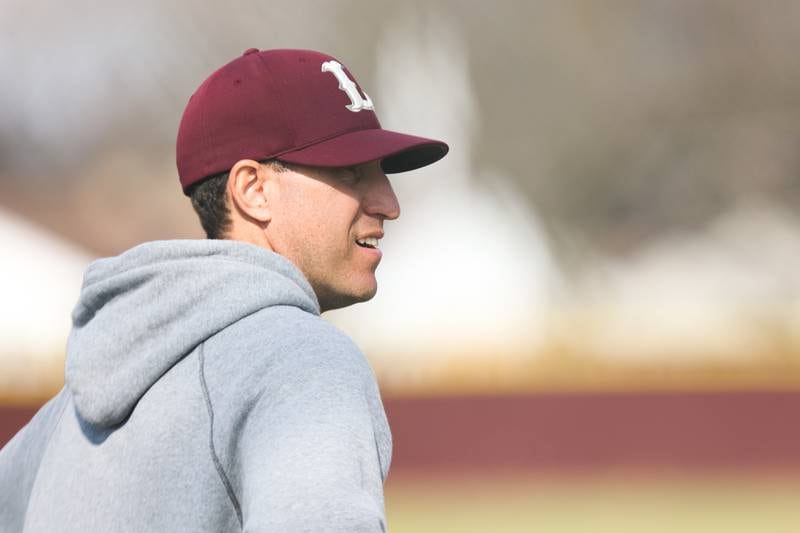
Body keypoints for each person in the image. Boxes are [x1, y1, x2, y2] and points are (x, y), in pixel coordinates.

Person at [0, 48, 447, 532]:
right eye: (350, 172)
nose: (389, 203)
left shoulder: (59, 421)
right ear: (253, 190)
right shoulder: (302, 361)